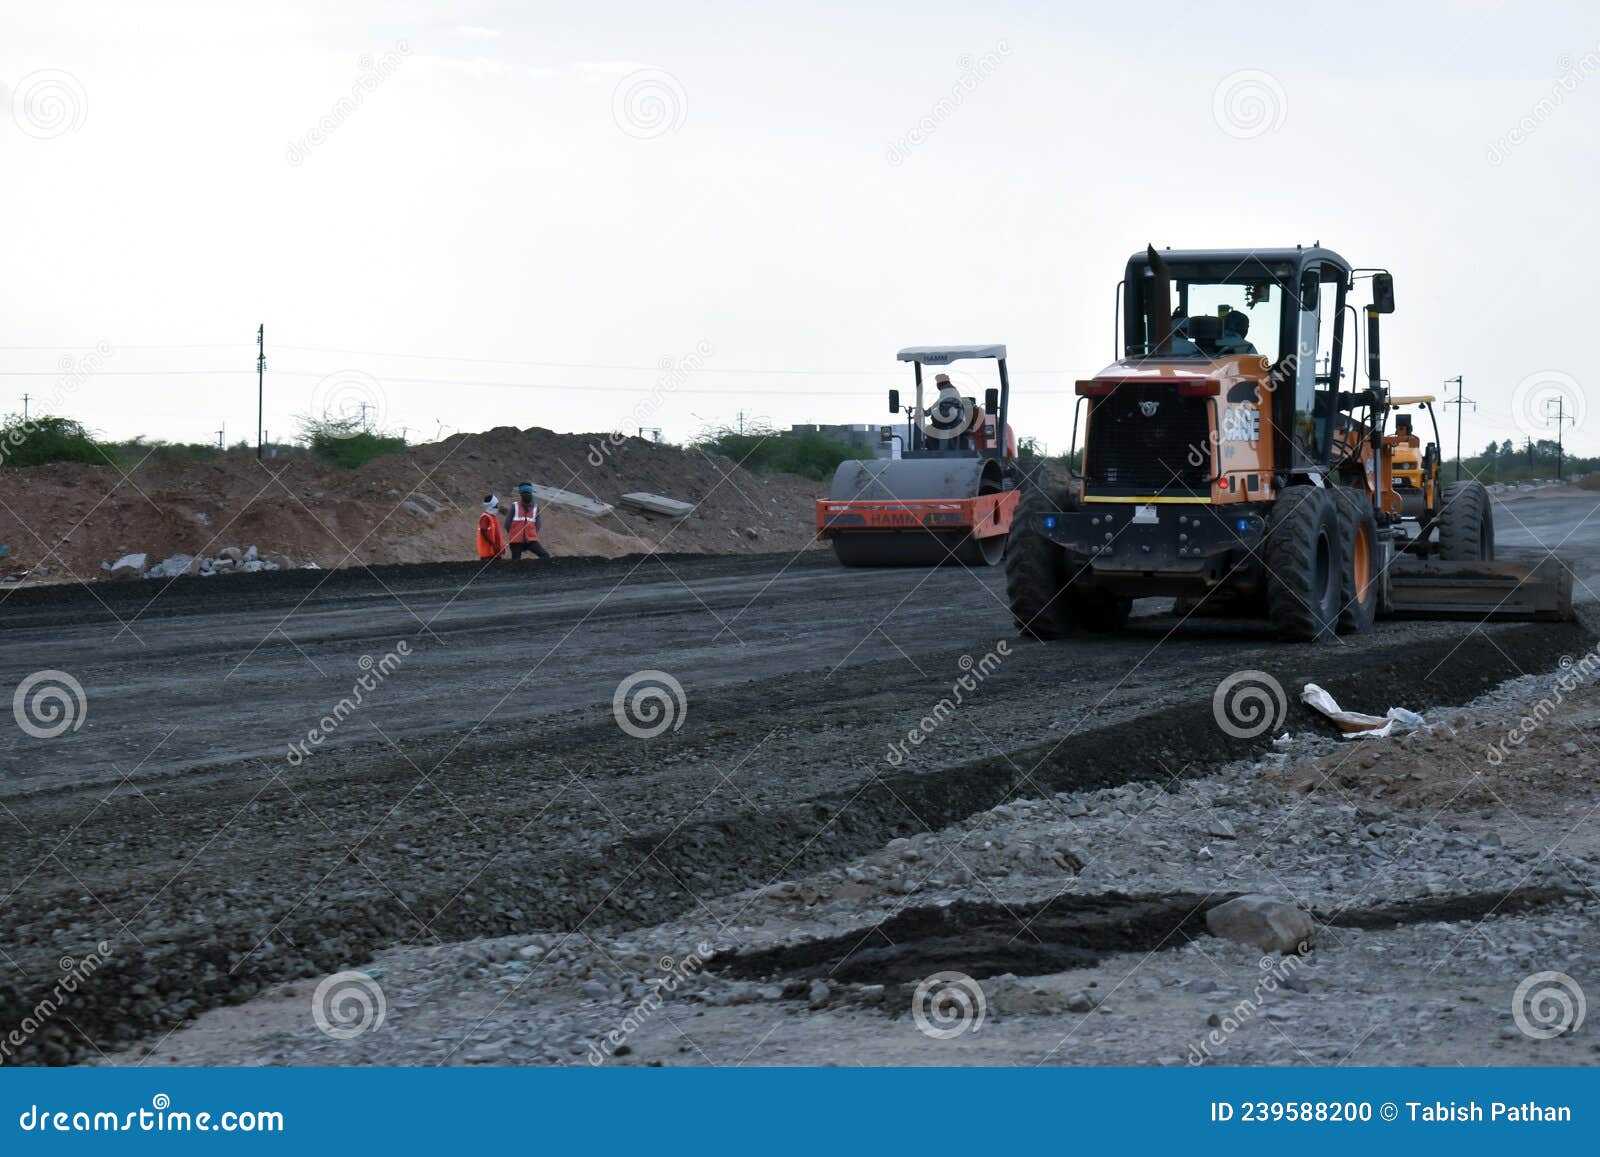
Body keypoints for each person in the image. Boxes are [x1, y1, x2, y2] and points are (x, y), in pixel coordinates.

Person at [504, 482, 550, 560]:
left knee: (545, 556)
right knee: (515, 561)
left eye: (528, 493)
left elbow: (538, 525)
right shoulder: (515, 506)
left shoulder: (535, 508)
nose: (527, 495)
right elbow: (507, 524)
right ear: (521, 494)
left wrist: (531, 534)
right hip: (516, 541)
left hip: (531, 540)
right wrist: (513, 533)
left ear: (531, 493)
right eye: (525, 493)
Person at [476, 495, 506, 560]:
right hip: (487, 553)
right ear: (491, 505)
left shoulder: (493, 517)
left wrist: (501, 547)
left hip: (495, 552)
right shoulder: (485, 517)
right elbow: (483, 531)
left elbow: (497, 535)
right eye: (496, 505)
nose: (497, 507)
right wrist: (493, 545)